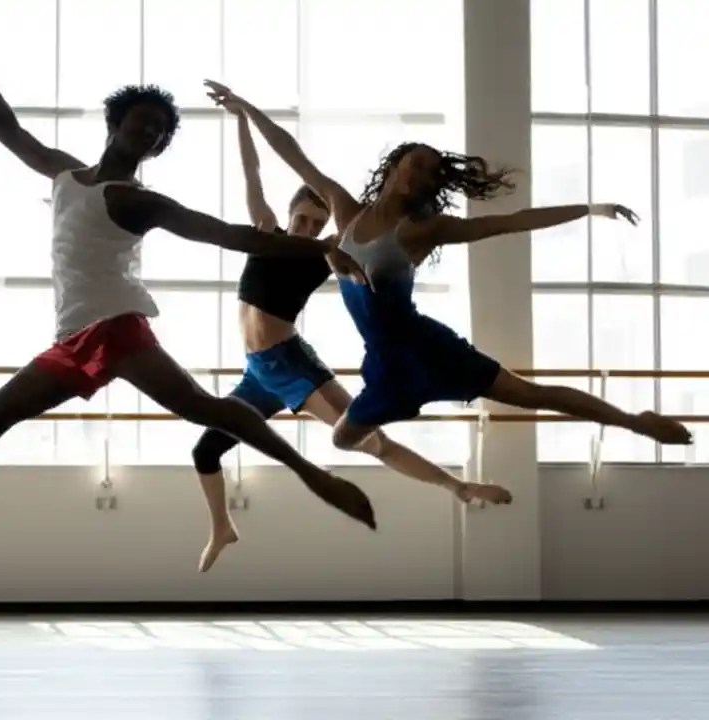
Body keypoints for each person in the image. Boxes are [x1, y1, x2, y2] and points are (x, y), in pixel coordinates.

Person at [0, 56, 378, 531]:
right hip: (73, 340)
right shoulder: (65, 173)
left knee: (203, 408)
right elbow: (6, 127)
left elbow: (230, 235)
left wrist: (319, 249)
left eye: (159, 133)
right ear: (115, 123)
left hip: (118, 328)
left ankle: (313, 475)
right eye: (143, 123)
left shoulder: (138, 200)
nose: (150, 135)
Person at [203, 80, 693, 458]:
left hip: (427, 347)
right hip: (386, 365)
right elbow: (290, 152)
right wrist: (246, 108)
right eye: (416, 163)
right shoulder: (344, 210)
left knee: (531, 394)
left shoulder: (426, 230)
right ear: (395, 165)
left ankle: (635, 421)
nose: (421, 174)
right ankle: (413, 402)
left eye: (431, 172)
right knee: (342, 439)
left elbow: (512, 221)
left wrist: (591, 208)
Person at [189, 99, 513, 572]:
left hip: (294, 366)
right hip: (258, 373)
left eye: (318, 224)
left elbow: (378, 268)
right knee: (206, 450)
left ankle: (458, 487)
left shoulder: (328, 254)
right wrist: (241, 117)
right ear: (289, 214)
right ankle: (222, 527)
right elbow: (252, 173)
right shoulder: (265, 233)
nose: (308, 229)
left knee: (371, 441)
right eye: (302, 219)